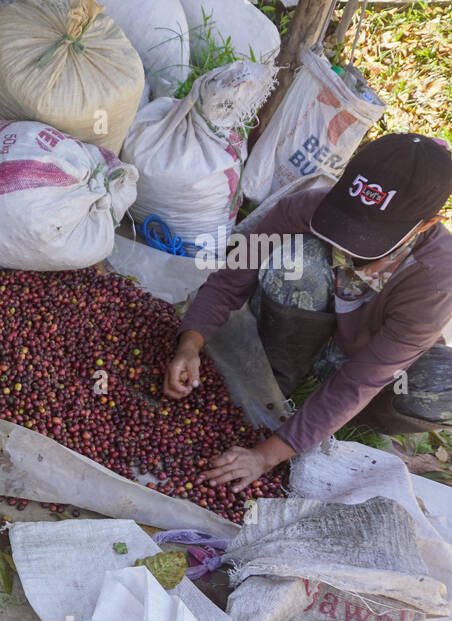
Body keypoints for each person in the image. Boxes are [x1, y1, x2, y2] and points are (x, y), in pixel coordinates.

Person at [165, 133, 452, 490]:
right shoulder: (306, 208)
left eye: (370, 232)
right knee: (294, 262)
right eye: (349, 218)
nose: (352, 242)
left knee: (444, 384)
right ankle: (278, 378)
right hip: (300, 327)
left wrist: (266, 455)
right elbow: (231, 278)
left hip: (365, 361)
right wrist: (190, 343)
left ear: (428, 223)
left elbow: (360, 381)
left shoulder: (436, 280)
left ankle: (348, 423)